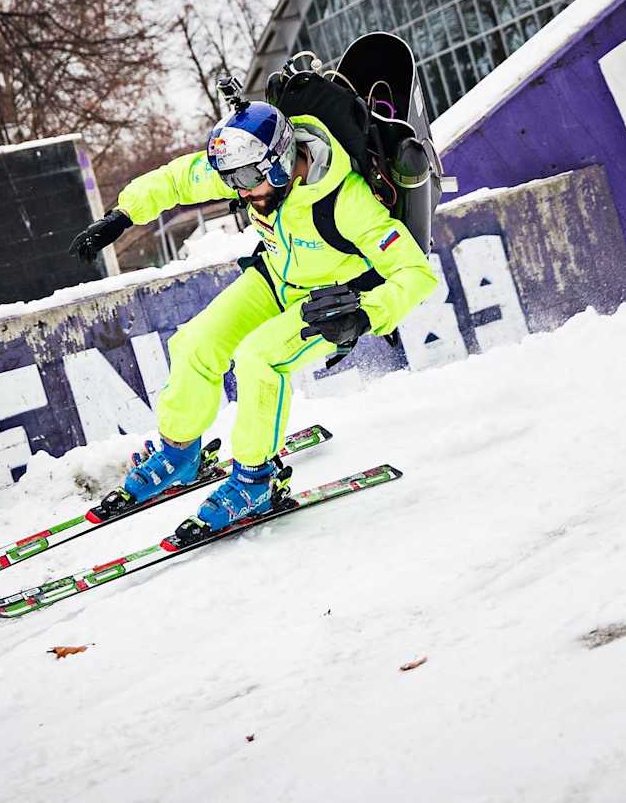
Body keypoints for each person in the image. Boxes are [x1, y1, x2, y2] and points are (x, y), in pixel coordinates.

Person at [68, 100, 436, 540]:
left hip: (328, 305)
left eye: (245, 181)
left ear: (279, 163)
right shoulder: (248, 169)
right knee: (195, 343)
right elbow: (180, 179)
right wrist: (123, 215)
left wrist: (365, 316)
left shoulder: (347, 201)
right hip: (274, 280)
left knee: (259, 360)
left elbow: (416, 272)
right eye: (231, 181)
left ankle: (255, 480)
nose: (239, 192)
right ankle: (179, 452)